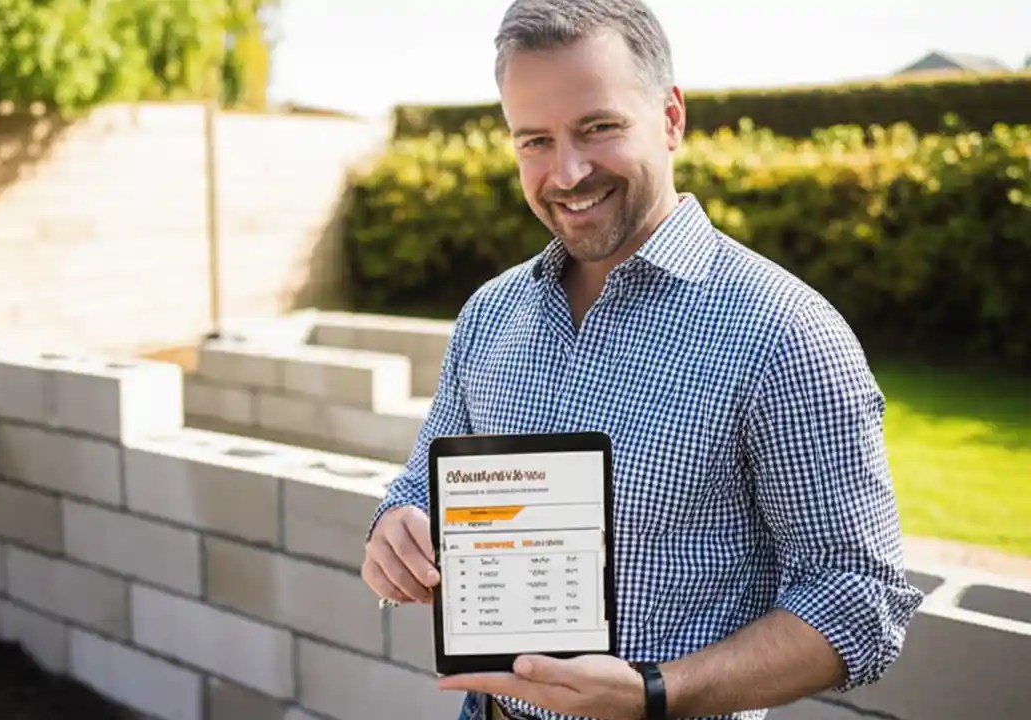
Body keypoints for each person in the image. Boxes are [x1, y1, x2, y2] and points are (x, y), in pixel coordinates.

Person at [360, 1, 924, 719]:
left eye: (598, 128)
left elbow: (859, 602)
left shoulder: (786, 334)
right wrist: (394, 522)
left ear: (671, 118)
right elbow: (422, 482)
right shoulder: (489, 314)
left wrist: (658, 692)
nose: (566, 172)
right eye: (534, 140)